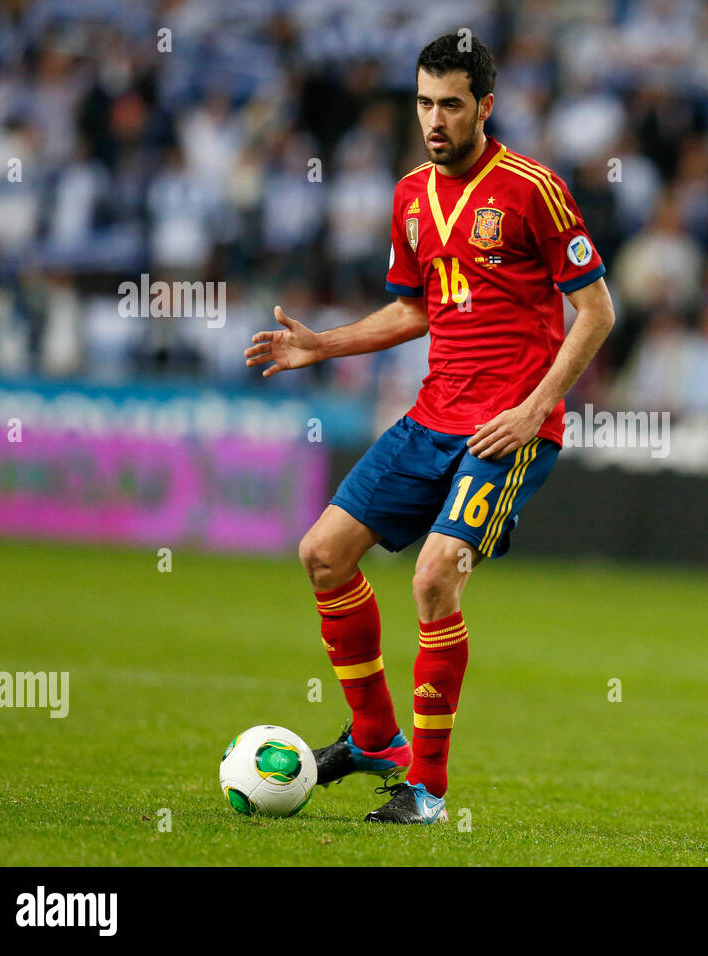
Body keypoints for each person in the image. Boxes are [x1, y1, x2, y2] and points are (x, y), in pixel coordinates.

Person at [245, 33, 615, 824]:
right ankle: (376, 739)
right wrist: (323, 343)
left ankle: (430, 792)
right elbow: (416, 307)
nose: (434, 120)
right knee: (322, 554)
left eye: (450, 104)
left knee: (434, 576)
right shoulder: (411, 193)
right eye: (423, 103)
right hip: (431, 414)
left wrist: (533, 409)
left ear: (486, 105)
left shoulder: (533, 189)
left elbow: (597, 310)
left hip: (508, 428)